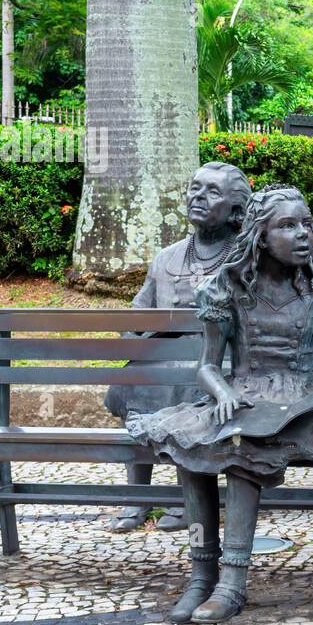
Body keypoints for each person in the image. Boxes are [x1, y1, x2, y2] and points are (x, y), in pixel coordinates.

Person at [126, 186, 313, 625]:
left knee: (242, 448)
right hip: (244, 394)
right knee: (189, 450)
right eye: (288, 226)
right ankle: (200, 573)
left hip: (304, 404)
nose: (303, 234)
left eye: (307, 224)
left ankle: (232, 583)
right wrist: (224, 391)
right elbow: (208, 367)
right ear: (260, 236)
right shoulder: (225, 289)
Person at [104, 161, 252, 532]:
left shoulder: (247, 259)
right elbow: (138, 316)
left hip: (218, 363)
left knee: (185, 383)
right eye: (195, 188)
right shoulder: (166, 258)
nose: (198, 197)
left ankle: (188, 499)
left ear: (237, 210)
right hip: (159, 364)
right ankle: (136, 498)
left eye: (212, 191)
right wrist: (135, 348)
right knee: (139, 384)